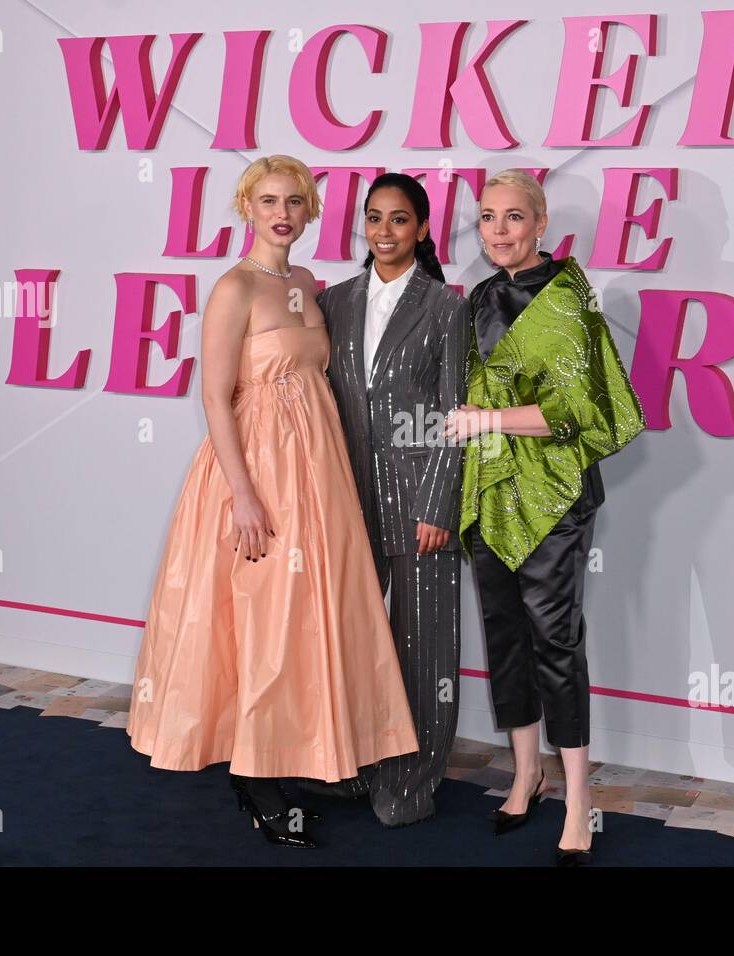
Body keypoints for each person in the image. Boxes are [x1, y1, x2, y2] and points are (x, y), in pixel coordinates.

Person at [126, 155, 419, 848]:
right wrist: (243, 495)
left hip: (316, 468)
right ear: (246, 209)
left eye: (294, 201)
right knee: (259, 619)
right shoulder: (233, 288)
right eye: (268, 201)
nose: (282, 212)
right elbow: (215, 398)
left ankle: (296, 755)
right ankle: (254, 780)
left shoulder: (308, 283)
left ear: (310, 209)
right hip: (255, 471)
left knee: (302, 619)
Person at [445, 169, 646, 865]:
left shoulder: (565, 298)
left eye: (513, 218)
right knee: (503, 633)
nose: (499, 231)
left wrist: (487, 419)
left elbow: (579, 414)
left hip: (551, 495)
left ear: (540, 224)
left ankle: (580, 799)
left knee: (556, 644)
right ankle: (526, 773)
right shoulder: (478, 297)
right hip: (490, 489)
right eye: (488, 219)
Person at [309, 173, 471, 827]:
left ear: (423, 229)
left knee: (422, 643)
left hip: (420, 499)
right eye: (374, 218)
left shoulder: (446, 307)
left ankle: (410, 782)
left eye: (399, 219)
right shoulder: (333, 301)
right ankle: (354, 767)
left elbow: (456, 412)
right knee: (351, 637)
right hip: (346, 495)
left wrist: (438, 501)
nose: (384, 231)